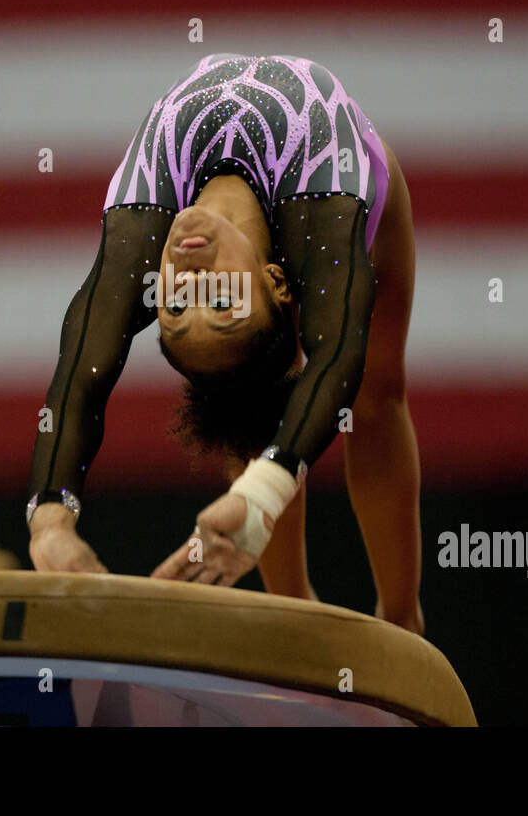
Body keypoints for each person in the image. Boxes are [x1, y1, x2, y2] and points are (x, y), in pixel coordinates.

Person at [25, 54, 424, 634]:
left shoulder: (143, 235)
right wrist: (260, 498)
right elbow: (337, 355)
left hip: (345, 192)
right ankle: (292, 611)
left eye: (177, 308)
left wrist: (51, 522)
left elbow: (77, 380)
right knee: (285, 397)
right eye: (222, 303)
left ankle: (402, 614)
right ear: (276, 284)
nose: (191, 283)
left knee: (372, 398)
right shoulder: (321, 213)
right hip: (339, 202)